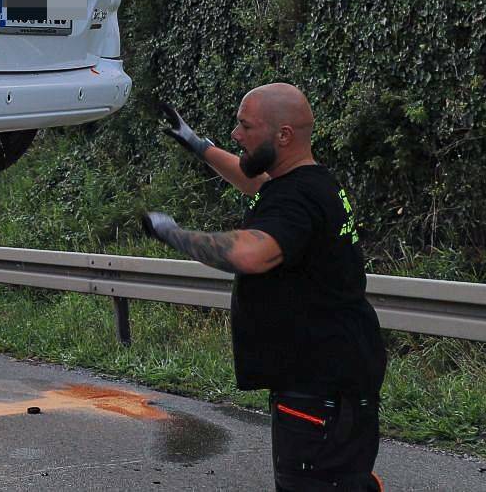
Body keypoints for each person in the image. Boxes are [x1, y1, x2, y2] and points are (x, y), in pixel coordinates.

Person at [145, 85, 386, 491]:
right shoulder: (308, 181)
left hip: (320, 387)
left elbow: (251, 255)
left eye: (245, 126)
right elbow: (250, 180)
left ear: (284, 135)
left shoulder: (296, 198)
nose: (236, 135)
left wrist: (174, 234)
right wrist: (198, 145)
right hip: (335, 375)